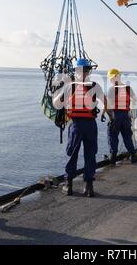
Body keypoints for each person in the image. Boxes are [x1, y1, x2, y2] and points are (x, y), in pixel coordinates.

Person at [53, 59, 110, 197]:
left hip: (76, 124)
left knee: (72, 154)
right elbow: (105, 101)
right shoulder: (95, 86)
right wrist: (103, 113)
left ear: (76, 71)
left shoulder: (70, 86)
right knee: (90, 154)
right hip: (90, 124)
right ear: (88, 71)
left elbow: (55, 103)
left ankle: (69, 184)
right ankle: (88, 186)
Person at [106, 69, 137, 166]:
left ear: (114, 77)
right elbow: (135, 99)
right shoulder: (128, 88)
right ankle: (133, 155)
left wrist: (110, 118)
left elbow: (109, 105)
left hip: (116, 115)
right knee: (127, 136)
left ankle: (113, 158)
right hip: (125, 115)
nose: (110, 80)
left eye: (110, 78)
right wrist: (130, 110)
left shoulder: (112, 89)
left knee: (112, 136)